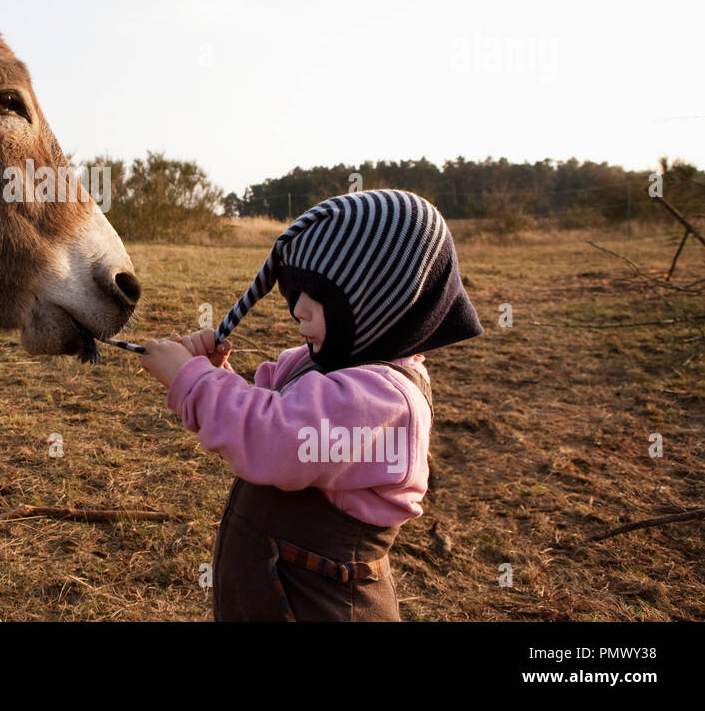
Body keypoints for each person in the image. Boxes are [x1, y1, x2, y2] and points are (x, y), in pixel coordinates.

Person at [140, 189, 483, 620]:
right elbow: (264, 414)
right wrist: (217, 376)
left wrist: (193, 381)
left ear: (380, 301)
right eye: (294, 290)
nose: (297, 310)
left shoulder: (385, 400)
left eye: (316, 294)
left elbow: (275, 440)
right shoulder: (325, 364)